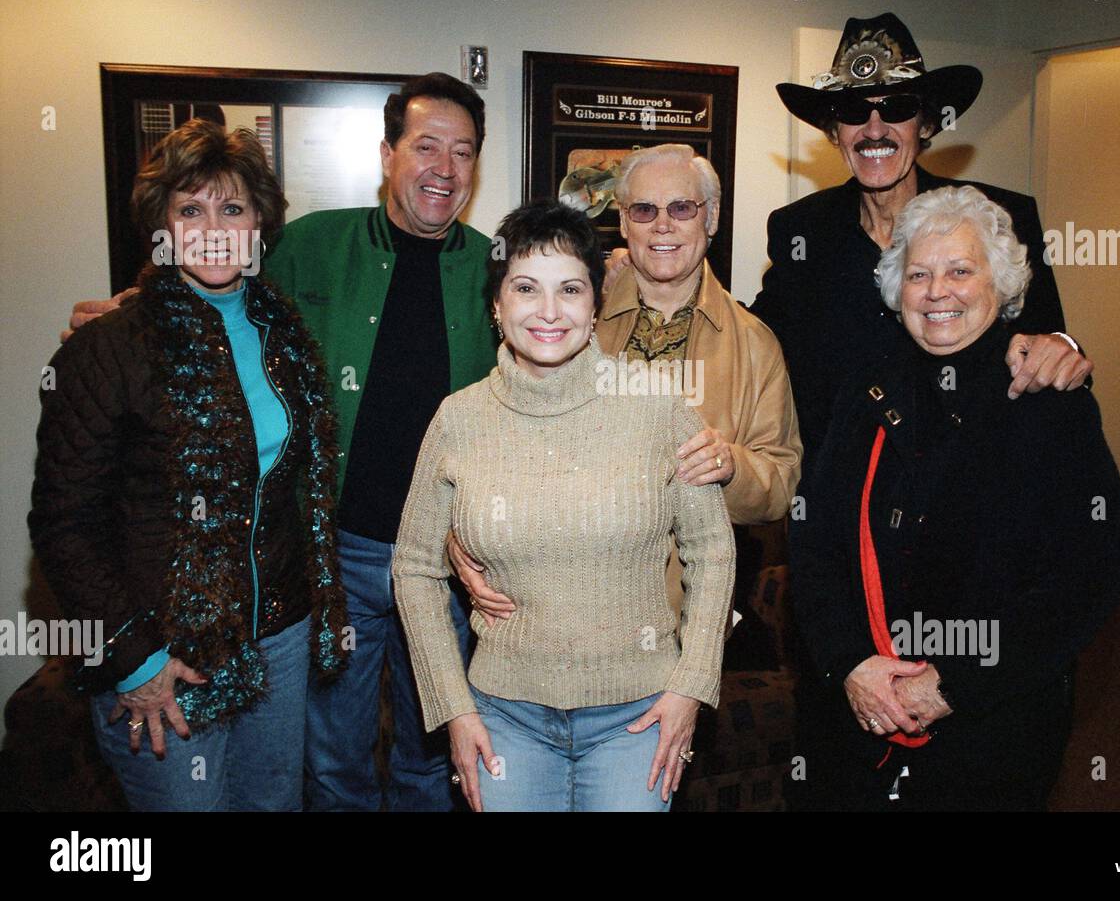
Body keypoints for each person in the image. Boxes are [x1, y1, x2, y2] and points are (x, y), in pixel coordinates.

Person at [63, 72, 498, 812]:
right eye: (426, 146)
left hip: (450, 558)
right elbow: (215, 287)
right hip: (333, 556)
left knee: (433, 758)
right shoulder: (309, 243)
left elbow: (557, 323)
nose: (445, 169)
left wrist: (615, 274)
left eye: (463, 152)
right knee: (333, 760)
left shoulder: (494, 265)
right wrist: (133, 306)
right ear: (388, 152)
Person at [29, 119, 349, 811]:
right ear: (161, 222)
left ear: (260, 221)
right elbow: (64, 524)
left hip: (282, 638)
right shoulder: (109, 347)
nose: (213, 227)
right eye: (190, 208)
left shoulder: (284, 336)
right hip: (162, 651)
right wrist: (133, 658)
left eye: (232, 207)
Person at [789, 185, 1120, 811]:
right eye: (918, 273)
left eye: (960, 270)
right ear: (897, 291)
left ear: (1000, 286)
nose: (937, 290)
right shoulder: (866, 391)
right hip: (855, 719)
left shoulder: (1048, 399)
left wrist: (955, 684)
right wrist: (851, 665)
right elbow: (814, 541)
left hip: (991, 732)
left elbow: (1087, 574)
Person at [392, 199, 736, 812]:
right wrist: (453, 707)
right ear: (496, 305)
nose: (549, 311)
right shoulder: (459, 419)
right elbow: (415, 567)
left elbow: (711, 549)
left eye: (570, 289)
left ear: (595, 303)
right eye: (526, 288)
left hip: (639, 716)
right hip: (503, 715)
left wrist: (692, 686)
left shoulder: (657, 405)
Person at [451, 144, 800, 637]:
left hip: (685, 621)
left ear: (712, 218)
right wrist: (460, 534)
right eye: (643, 209)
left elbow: (781, 485)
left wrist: (732, 466)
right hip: (550, 609)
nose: (663, 226)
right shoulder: (569, 318)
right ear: (624, 221)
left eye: (681, 208)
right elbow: (500, 443)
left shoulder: (755, 344)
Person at [751, 12, 1092, 471]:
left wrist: (1062, 346)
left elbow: (1048, 335)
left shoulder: (998, 219)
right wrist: (662, 281)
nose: (874, 129)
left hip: (964, 483)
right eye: (854, 112)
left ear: (926, 125)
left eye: (896, 108)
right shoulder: (801, 229)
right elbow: (757, 337)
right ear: (835, 133)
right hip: (839, 492)